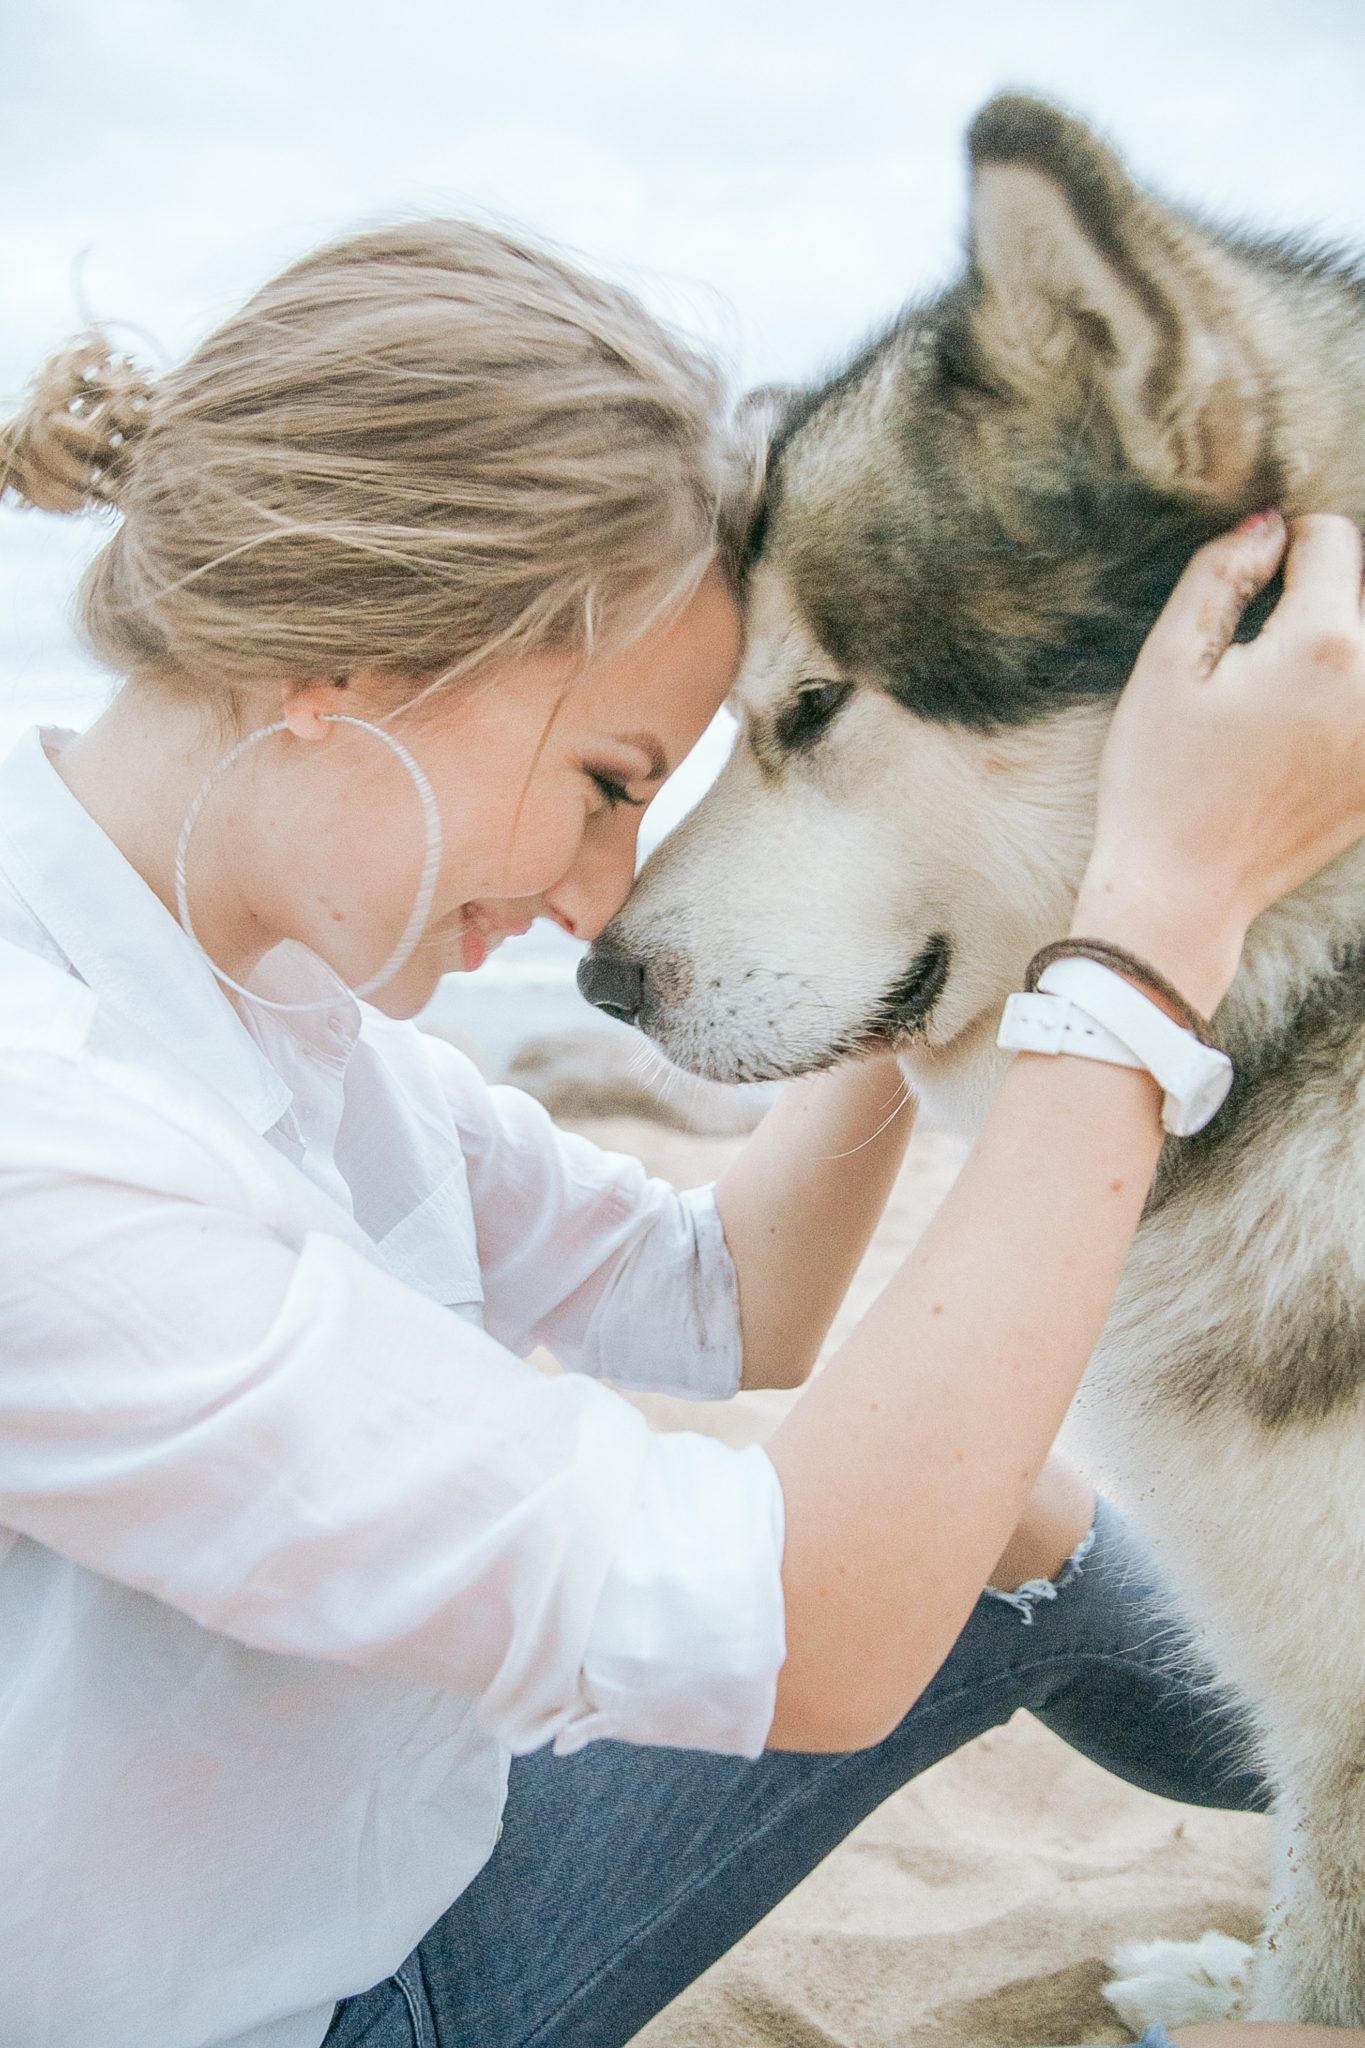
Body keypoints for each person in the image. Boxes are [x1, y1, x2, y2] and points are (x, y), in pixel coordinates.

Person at [1, 221, 1363, 2048]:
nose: (602, 895)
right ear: (351, 657)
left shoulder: (269, 998)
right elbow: (811, 1622)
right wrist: (1151, 931)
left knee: (998, 1514)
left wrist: (931, 898)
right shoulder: (46, 1139)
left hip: (377, 1860)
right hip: (280, 2014)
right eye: (609, 782)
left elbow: (733, 1297)